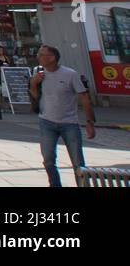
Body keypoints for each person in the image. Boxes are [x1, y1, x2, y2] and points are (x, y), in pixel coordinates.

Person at [28, 44, 95, 187]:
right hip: (46, 121)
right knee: (48, 159)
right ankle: (55, 184)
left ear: (52, 58)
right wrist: (33, 83)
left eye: (41, 55)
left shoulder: (70, 74)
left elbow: (83, 97)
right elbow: (35, 96)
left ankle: (82, 185)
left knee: (77, 161)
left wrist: (89, 121)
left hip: (69, 122)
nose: (38, 57)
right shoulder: (39, 73)